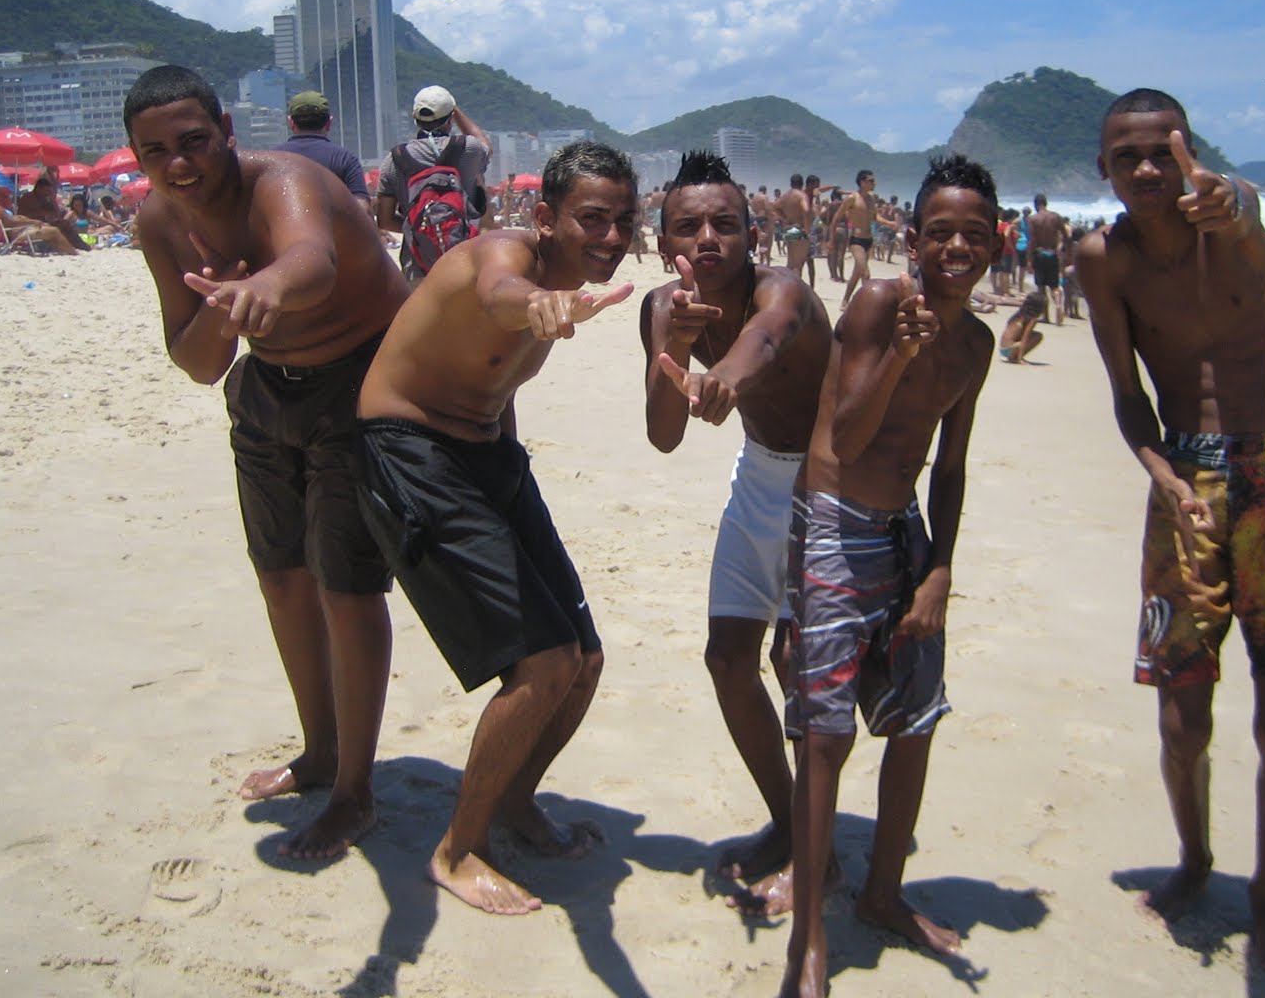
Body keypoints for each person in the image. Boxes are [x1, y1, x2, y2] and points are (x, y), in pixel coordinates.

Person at [125, 64, 410, 860]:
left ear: (225, 131)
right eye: (156, 152)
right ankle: (319, 752)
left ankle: (354, 791)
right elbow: (196, 361)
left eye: (193, 141)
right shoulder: (159, 223)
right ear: (137, 158)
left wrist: (266, 289)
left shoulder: (284, 179)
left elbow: (311, 258)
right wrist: (224, 312)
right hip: (264, 393)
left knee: (347, 586)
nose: (179, 164)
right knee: (282, 577)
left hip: (358, 381)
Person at [355, 141, 638, 916]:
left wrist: (508, 472)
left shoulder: (568, 277)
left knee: (583, 661)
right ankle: (457, 849)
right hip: (410, 452)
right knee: (542, 664)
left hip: (488, 454)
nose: (610, 237)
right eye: (591, 220)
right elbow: (499, 292)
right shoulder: (508, 256)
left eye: (623, 221)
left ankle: (513, 800)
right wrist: (542, 308)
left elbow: (495, 379)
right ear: (546, 216)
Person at [1076, 88, 1265, 974]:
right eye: (1124, 156)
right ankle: (1195, 859)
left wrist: (1233, 201)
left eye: (1159, 151)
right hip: (1184, 479)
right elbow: (1127, 394)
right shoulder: (1101, 260)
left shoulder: (1234, 212)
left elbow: (1245, 212)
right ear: (1099, 170)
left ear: (1189, 151)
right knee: (1183, 714)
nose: (1144, 169)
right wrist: (1160, 470)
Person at [781, 153, 997, 998]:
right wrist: (903, 358)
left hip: (905, 532)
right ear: (912, 236)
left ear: (993, 243)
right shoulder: (878, 302)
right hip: (833, 522)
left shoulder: (977, 344)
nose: (955, 247)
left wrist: (941, 569)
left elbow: (949, 466)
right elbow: (849, 428)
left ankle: (882, 895)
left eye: (973, 235)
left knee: (914, 717)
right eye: (940, 231)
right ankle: (810, 936)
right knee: (826, 732)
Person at [640, 150, 832, 914]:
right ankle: (790, 825)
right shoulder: (661, 308)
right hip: (760, 479)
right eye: (689, 227)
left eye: (725, 223)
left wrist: (721, 380)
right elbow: (662, 436)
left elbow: (765, 340)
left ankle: (818, 861)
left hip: (830, 488)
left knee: (797, 670)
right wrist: (679, 350)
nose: (708, 239)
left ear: (754, 234)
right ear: (664, 245)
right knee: (728, 659)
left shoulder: (781, 292)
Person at [375, 85, 493, 274]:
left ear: (415, 118)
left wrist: (417, 227)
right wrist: (455, 110)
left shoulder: (395, 159)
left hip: (416, 265)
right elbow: (486, 145)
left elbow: (385, 220)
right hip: (465, 260)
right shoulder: (469, 148)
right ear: (450, 118)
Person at [274, 90, 372, 216]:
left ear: (291, 123)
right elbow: (361, 208)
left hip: (284, 234)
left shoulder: (273, 158)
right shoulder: (345, 159)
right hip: (333, 234)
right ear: (329, 122)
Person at [19, 171, 92, 251]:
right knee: (63, 225)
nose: (47, 193)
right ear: (38, 188)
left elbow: (56, 212)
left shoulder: (44, 198)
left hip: (43, 222)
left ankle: (77, 244)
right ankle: (76, 246)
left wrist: (52, 199)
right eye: (46, 191)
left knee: (65, 223)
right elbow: (23, 215)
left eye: (49, 191)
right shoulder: (28, 198)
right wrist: (43, 215)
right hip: (30, 224)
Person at [838, 170, 878, 309]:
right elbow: (837, 217)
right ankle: (867, 305)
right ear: (862, 182)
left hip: (868, 240)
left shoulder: (871, 199)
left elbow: (875, 218)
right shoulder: (852, 198)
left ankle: (845, 300)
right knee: (865, 273)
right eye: (871, 181)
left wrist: (889, 223)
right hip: (856, 240)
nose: (875, 183)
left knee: (856, 274)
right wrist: (830, 238)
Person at [1027, 193, 1066, 324]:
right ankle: (1059, 305)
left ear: (1035, 204)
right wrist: (1059, 248)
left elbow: (1032, 240)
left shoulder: (1033, 219)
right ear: (1046, 203)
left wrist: (1029, 259)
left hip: (1040, 254)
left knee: (1041, 287)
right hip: (1053, 254)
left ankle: (1046, 316)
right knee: (1054, 286)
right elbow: (1065, 235)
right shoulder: (1056, 217)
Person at [774, 173, 814, 282]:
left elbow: (775, 207)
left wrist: (784, 218)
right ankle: (795, 290)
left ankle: (787, 286)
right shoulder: (801, 195)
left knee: (790, 263)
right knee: (798, 264)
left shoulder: (786, 195)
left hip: (789, 229)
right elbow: (806, 210)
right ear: (802, 183)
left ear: (791, 183)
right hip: (799, 228)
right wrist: (806, 228)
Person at [998, 292, 1046, 364]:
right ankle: (1015, 357)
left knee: (1036, 334)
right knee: (1038, 336)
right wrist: (1020, 359)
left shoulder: (1019, 315)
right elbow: (1025, 338)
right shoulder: (1032, 319)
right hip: (1012, 348)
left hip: (1003, 349)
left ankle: (1014, 356)